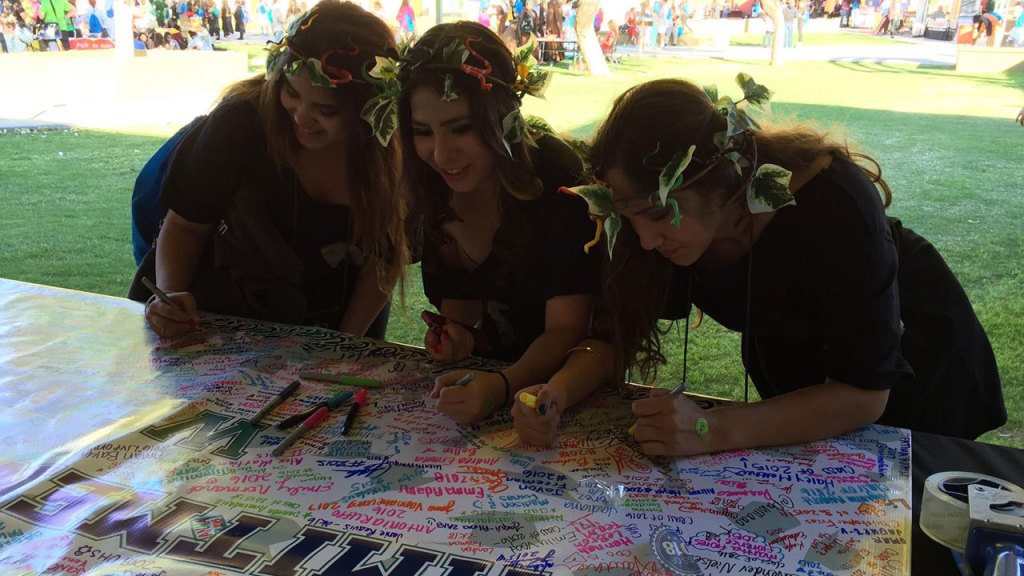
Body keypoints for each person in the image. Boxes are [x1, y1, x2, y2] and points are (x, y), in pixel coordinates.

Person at [516, 76, 1005, 452]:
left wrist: (711, 428)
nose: (645, 240)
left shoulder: (834, 202)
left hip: (916, 368)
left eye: (660, 213)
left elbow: (864, 392)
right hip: (805, 384)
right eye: (629, 218)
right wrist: (557, 392)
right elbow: (612, 335)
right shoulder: (656, 226)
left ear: (721, 179)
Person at [129, 0, 408, 342]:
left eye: (326, 109)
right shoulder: (240, 123)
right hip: (223, 321)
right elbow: (186, 225)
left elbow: (385, 258)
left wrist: (344, 345)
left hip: (338, 322)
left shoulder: (389, 151)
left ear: (369, 108)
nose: (302, 118)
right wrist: (170, 298)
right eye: (291, 92)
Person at [396, 22, 599, 426]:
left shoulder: (558, 180)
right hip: (485, 396)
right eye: (422, 132)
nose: (440, 153)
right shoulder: (430, 186)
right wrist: (458, 336)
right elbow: (464, 299)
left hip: (564, 401)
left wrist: (503, 386)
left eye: (461, 128)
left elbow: (568, 329)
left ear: (503, 116)